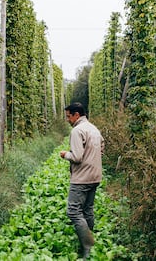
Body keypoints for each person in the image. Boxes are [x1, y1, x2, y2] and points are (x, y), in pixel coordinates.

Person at [60, 102, 104, 259]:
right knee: (87, 209)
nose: (68, 120)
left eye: (68, 116)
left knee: (73, 211)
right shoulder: (94, 128)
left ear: (76, 115)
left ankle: (87, 246)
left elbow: (77, 157)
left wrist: (66, 154)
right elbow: (102, 148)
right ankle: (89, 238)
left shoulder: (77, 131)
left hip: (82, 179)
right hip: (95, 176)